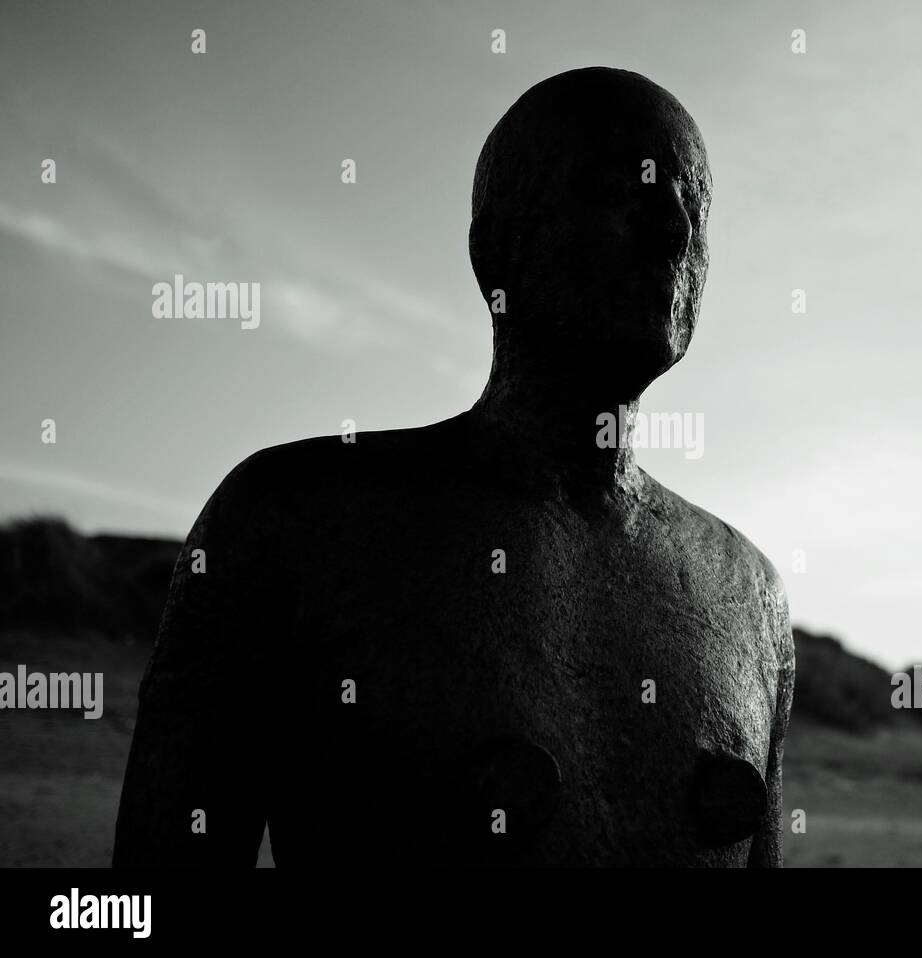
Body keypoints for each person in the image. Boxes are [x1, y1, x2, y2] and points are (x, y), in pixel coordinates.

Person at [113, 66, 795, 867]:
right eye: (623, 187)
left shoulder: (748, 597)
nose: (674, 228)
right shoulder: (297, 521)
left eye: (697, 206)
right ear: (501, 246)